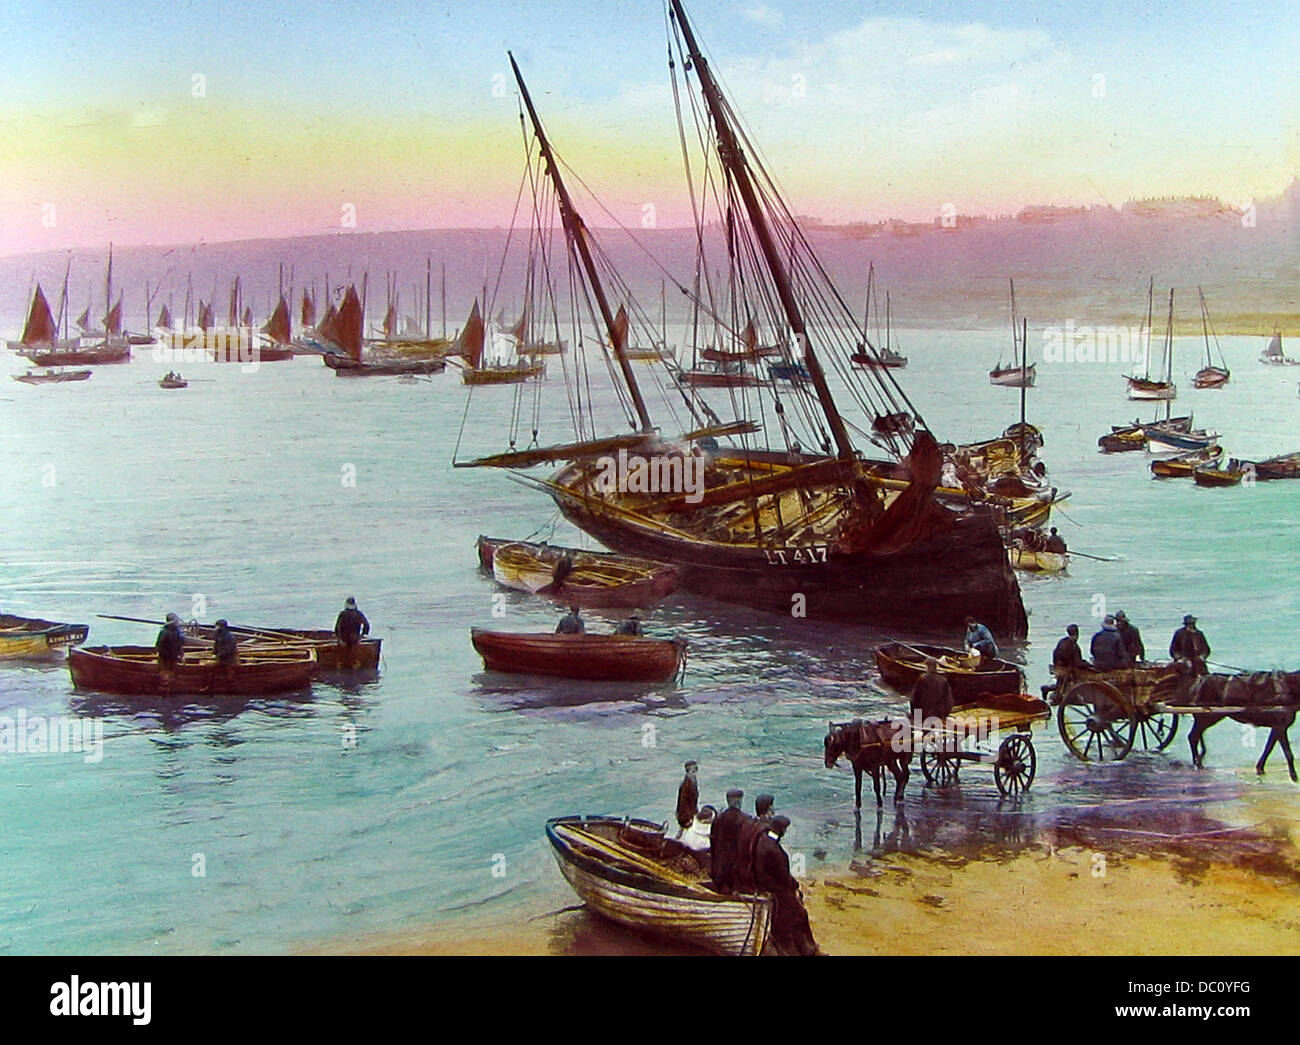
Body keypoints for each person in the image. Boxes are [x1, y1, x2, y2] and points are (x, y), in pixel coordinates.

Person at [753, 816, 820, 956]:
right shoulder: (773, 849)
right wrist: (794, 884)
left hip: (767, 886)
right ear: (782, 830)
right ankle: (807, 949)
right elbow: (782, 876)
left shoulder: (764, 841)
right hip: (776, 890)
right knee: (800, 914)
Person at [733, 794, 776, 894]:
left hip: (743, 872)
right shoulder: (767, 830)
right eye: (772, 806)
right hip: (756, 877)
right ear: (769, 809)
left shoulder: (749, 823)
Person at [709, 789, 747, 893]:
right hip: (736, 870)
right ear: (739, 802)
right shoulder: (745, 820)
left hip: (719, 868)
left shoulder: (717, 819)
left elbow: (713, 842)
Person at [911, 657, 953, 724]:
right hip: (939, 717)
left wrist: (916, 716)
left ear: (927, 667)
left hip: (924, 716)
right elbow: (949, 702)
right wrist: (944, 716)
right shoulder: (943, 680)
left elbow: (915, 700)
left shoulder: (922, 679)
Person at [334, 597, 370, 667]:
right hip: (355, 638)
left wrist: (339, 639)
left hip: (344, 639)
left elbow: (337, 627)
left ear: (346, 604)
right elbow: (366, 625)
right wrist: (362, 636)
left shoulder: (343, 614)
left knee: (343, 659)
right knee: (354, 658)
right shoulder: (359, 614)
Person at [675, 761, 699, 833]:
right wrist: (688, 818)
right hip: (687, 814)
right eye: (693, 771)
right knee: (686, 831)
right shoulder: (686, 785)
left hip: (690, 811)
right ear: (688, 772)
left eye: (696, 770)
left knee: (681, 831)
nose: (695, 773)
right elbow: (683, 803)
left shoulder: (692, 780)